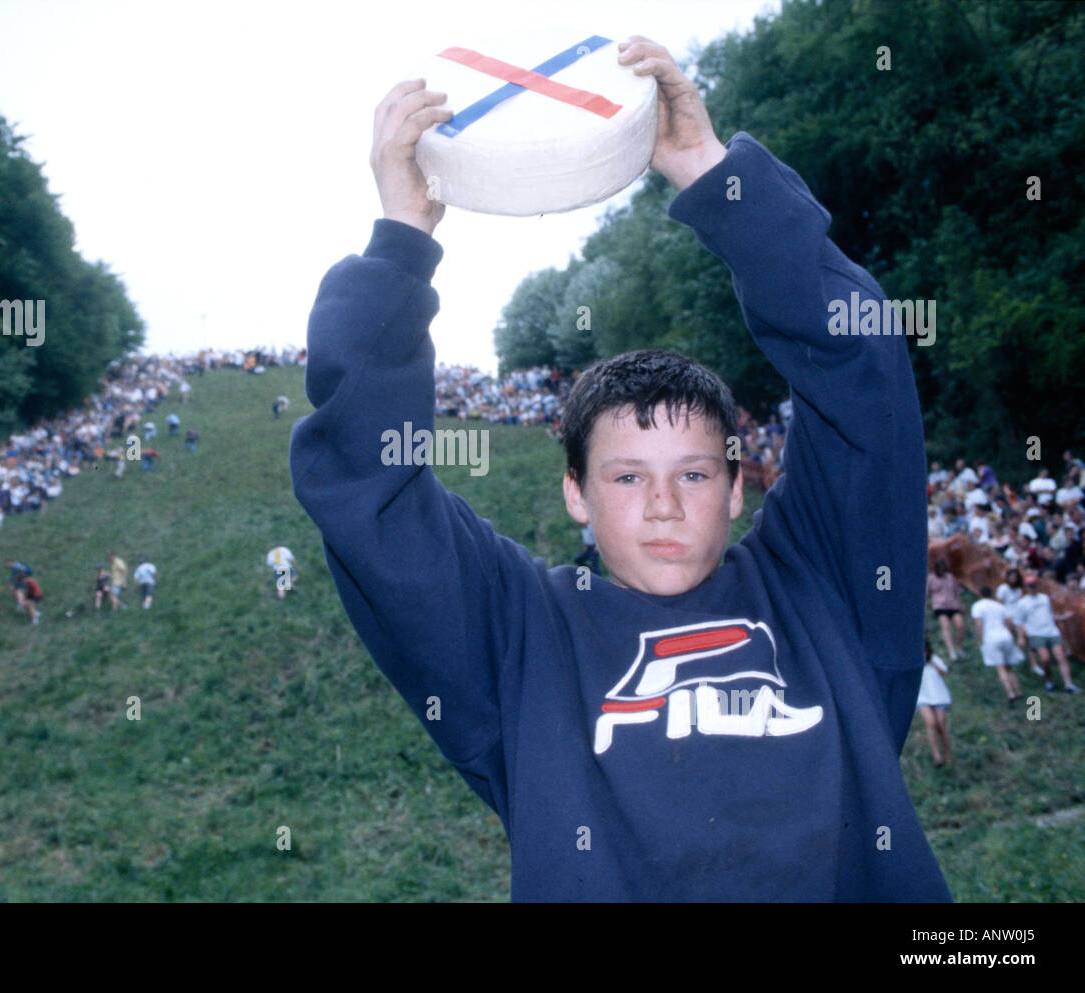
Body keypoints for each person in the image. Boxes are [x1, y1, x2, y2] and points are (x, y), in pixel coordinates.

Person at [290, 39, 951, 901]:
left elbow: (863, 374)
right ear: (575, 492)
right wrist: (400, 244)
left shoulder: (826, 589)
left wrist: (719, 178)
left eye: (697, 474)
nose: (667, 504)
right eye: (628, 477)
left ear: (739, 482)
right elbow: (367, 485)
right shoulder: (520, 636)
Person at [1012, 569, 1082, 693]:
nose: (1032, 588)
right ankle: (1049, 680)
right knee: (1045, 658)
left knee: (1061, 657)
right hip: (1036, 633)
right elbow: (1019, 622)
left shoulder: (1044, 598)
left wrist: (1063, 617)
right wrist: (1021, 637)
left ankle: (1068, 684)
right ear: (1026, 588)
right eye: (1029, 586)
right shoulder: (1022, 603)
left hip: (1051, 631)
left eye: (1034, 585)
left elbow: (1050, 614)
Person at [971, 586, 1021, 706]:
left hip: (991, 638)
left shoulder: (978, 606)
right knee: (1008, 666)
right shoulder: (999, 606)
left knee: (1000, 668)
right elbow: (1008, 622)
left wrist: (981, 640)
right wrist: (1009, 633)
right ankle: (1018, 690)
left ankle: (1010, 693)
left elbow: (979, 624)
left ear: (980, 594)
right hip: (1005, 636)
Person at [915, 639, 952, 768]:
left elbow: (944, 671)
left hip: (939, 695)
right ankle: (937, 756)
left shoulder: (934, 659)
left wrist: (930, 661)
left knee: (941, 725)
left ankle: (948, 756)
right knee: (931, 723)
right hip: (922, 697)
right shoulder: (912, 662)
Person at [926, 559, 966, 661]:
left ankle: (959, 648)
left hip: (953, 605)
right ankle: (951, 651)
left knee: (960, 626)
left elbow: (957, 592)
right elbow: (927, 592)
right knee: (946, 627)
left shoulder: (950, 577)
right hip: (940, 606)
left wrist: (961, 605)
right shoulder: (932, 578)